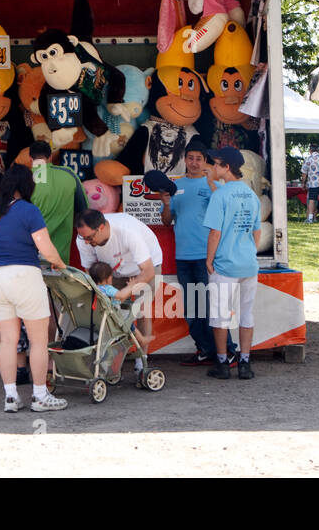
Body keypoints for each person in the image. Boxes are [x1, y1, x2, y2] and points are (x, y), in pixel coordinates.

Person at [0, 164, 68, 412]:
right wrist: (60, 264)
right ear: (26, 185)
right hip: (24, 275)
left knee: (8, 339)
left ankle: (10, 397)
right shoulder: (29, 210)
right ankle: (40, 395)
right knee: (39, 340)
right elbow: (44, 246)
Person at [74, 207, 163, 380]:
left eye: (90, 238)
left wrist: (127, 290)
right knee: (109, 314)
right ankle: (112, 364)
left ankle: (141, 363)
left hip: (144, 267)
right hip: (110, 271)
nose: (86, 242)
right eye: (83, 238)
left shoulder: (127, 231)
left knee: (141, 311)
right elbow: (92, 273)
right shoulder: (83, 239)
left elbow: (148, 271)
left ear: (101, 227)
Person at [202, 147, 262, 379]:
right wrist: (248, 252)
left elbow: (215, 233)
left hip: (225, 265)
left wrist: (209, 259)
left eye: (216, 164)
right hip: (248, 264)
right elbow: (256, 232)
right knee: (247, 314)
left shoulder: (221, 195)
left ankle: (223, 363)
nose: (213, 168)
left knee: (220, 316)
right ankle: (245, 363)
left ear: (227, 167)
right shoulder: (251, 195)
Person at [160, 138, 220, 366]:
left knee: (207, 307)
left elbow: (223, 214)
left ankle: (220, 352)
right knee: (193, 309)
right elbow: (166, 221)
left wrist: (212, 183)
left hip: (206, 257)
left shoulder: (212, 185)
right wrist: (166, 204)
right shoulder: (176, 187)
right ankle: (205, 350)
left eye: (199, 159)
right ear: (184, 160)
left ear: (205, 161)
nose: (194, 163)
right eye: (191, 158)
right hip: (183, 258)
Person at [28, 141, 87, 265]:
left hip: (29, 254)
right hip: (59, 258)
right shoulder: (68, 173)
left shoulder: (24, 177)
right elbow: (83, 209)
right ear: (50, 157)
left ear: (30, 158)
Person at [300, 143, 319, 222]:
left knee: (312, 200)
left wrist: (303, 183)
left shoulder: (308, 159)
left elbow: (304, 172)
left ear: (310, 151)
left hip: (313, 183)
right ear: (318, 150)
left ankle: (310, 218)